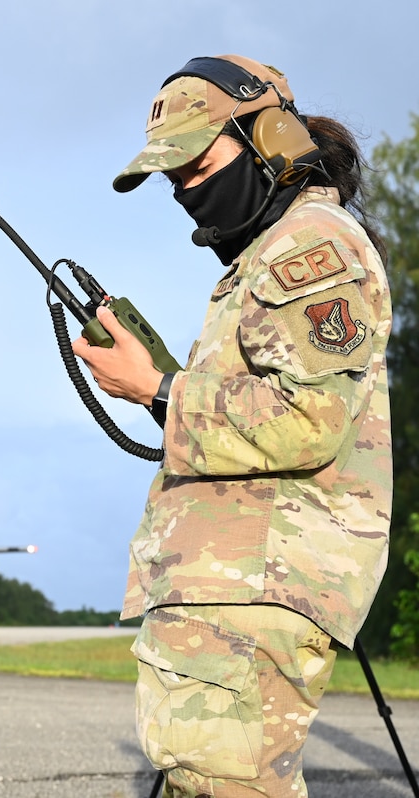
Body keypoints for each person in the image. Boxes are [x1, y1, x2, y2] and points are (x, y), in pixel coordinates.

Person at [73, 55, 393, 797]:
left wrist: (157, 392)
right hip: (235, 585)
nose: (184, 188)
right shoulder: (266, 257)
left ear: (269, 138)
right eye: (170, 174)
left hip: (255, 585)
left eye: (196, 160)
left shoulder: (310, 247)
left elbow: (308, 419)